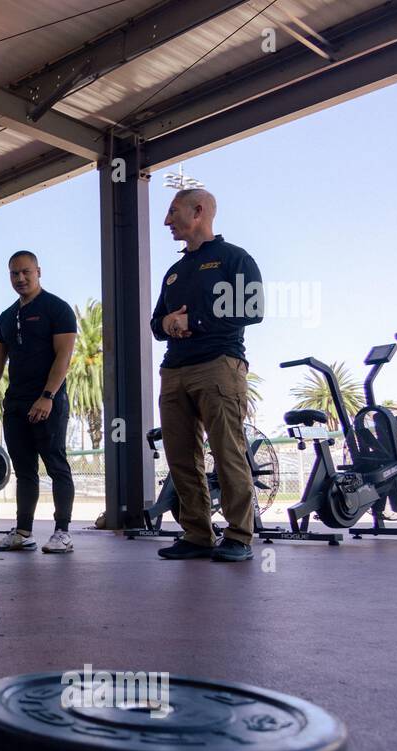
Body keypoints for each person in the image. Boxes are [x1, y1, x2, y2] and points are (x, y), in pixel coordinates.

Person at [150, 188, 263, 562]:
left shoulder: (234, 259)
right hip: (174, 371)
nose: (166, 221)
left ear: (198, 211)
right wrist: (168, 322)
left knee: (228, 451)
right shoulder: (175, 271)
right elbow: (155, 324)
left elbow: (252, 309)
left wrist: (194, 321)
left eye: (173, 212)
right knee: (180, 456)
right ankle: (197, 534)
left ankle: (239, 536)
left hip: (219, 366)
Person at [0, 250, 78, 554]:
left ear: (38, 272)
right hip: (16, 403)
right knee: (24, 471)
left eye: (26, 272)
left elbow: (64, 356)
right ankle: (23, 532)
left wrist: (47, 397)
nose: (20, 278)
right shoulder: (7, 316)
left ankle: (62, 532)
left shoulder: (57, 309)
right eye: (14, 274)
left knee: (56, 465)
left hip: (48, 402)